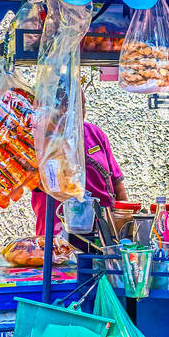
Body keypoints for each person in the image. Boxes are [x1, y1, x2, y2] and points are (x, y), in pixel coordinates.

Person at [31, 89, 127, 237]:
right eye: (70, 106)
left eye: (82, 106)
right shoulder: (38, 141)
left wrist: (123, 228)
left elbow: (118, 187)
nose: (80, 112)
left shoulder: (95, 134)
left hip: (104, 235)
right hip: (57, 235)